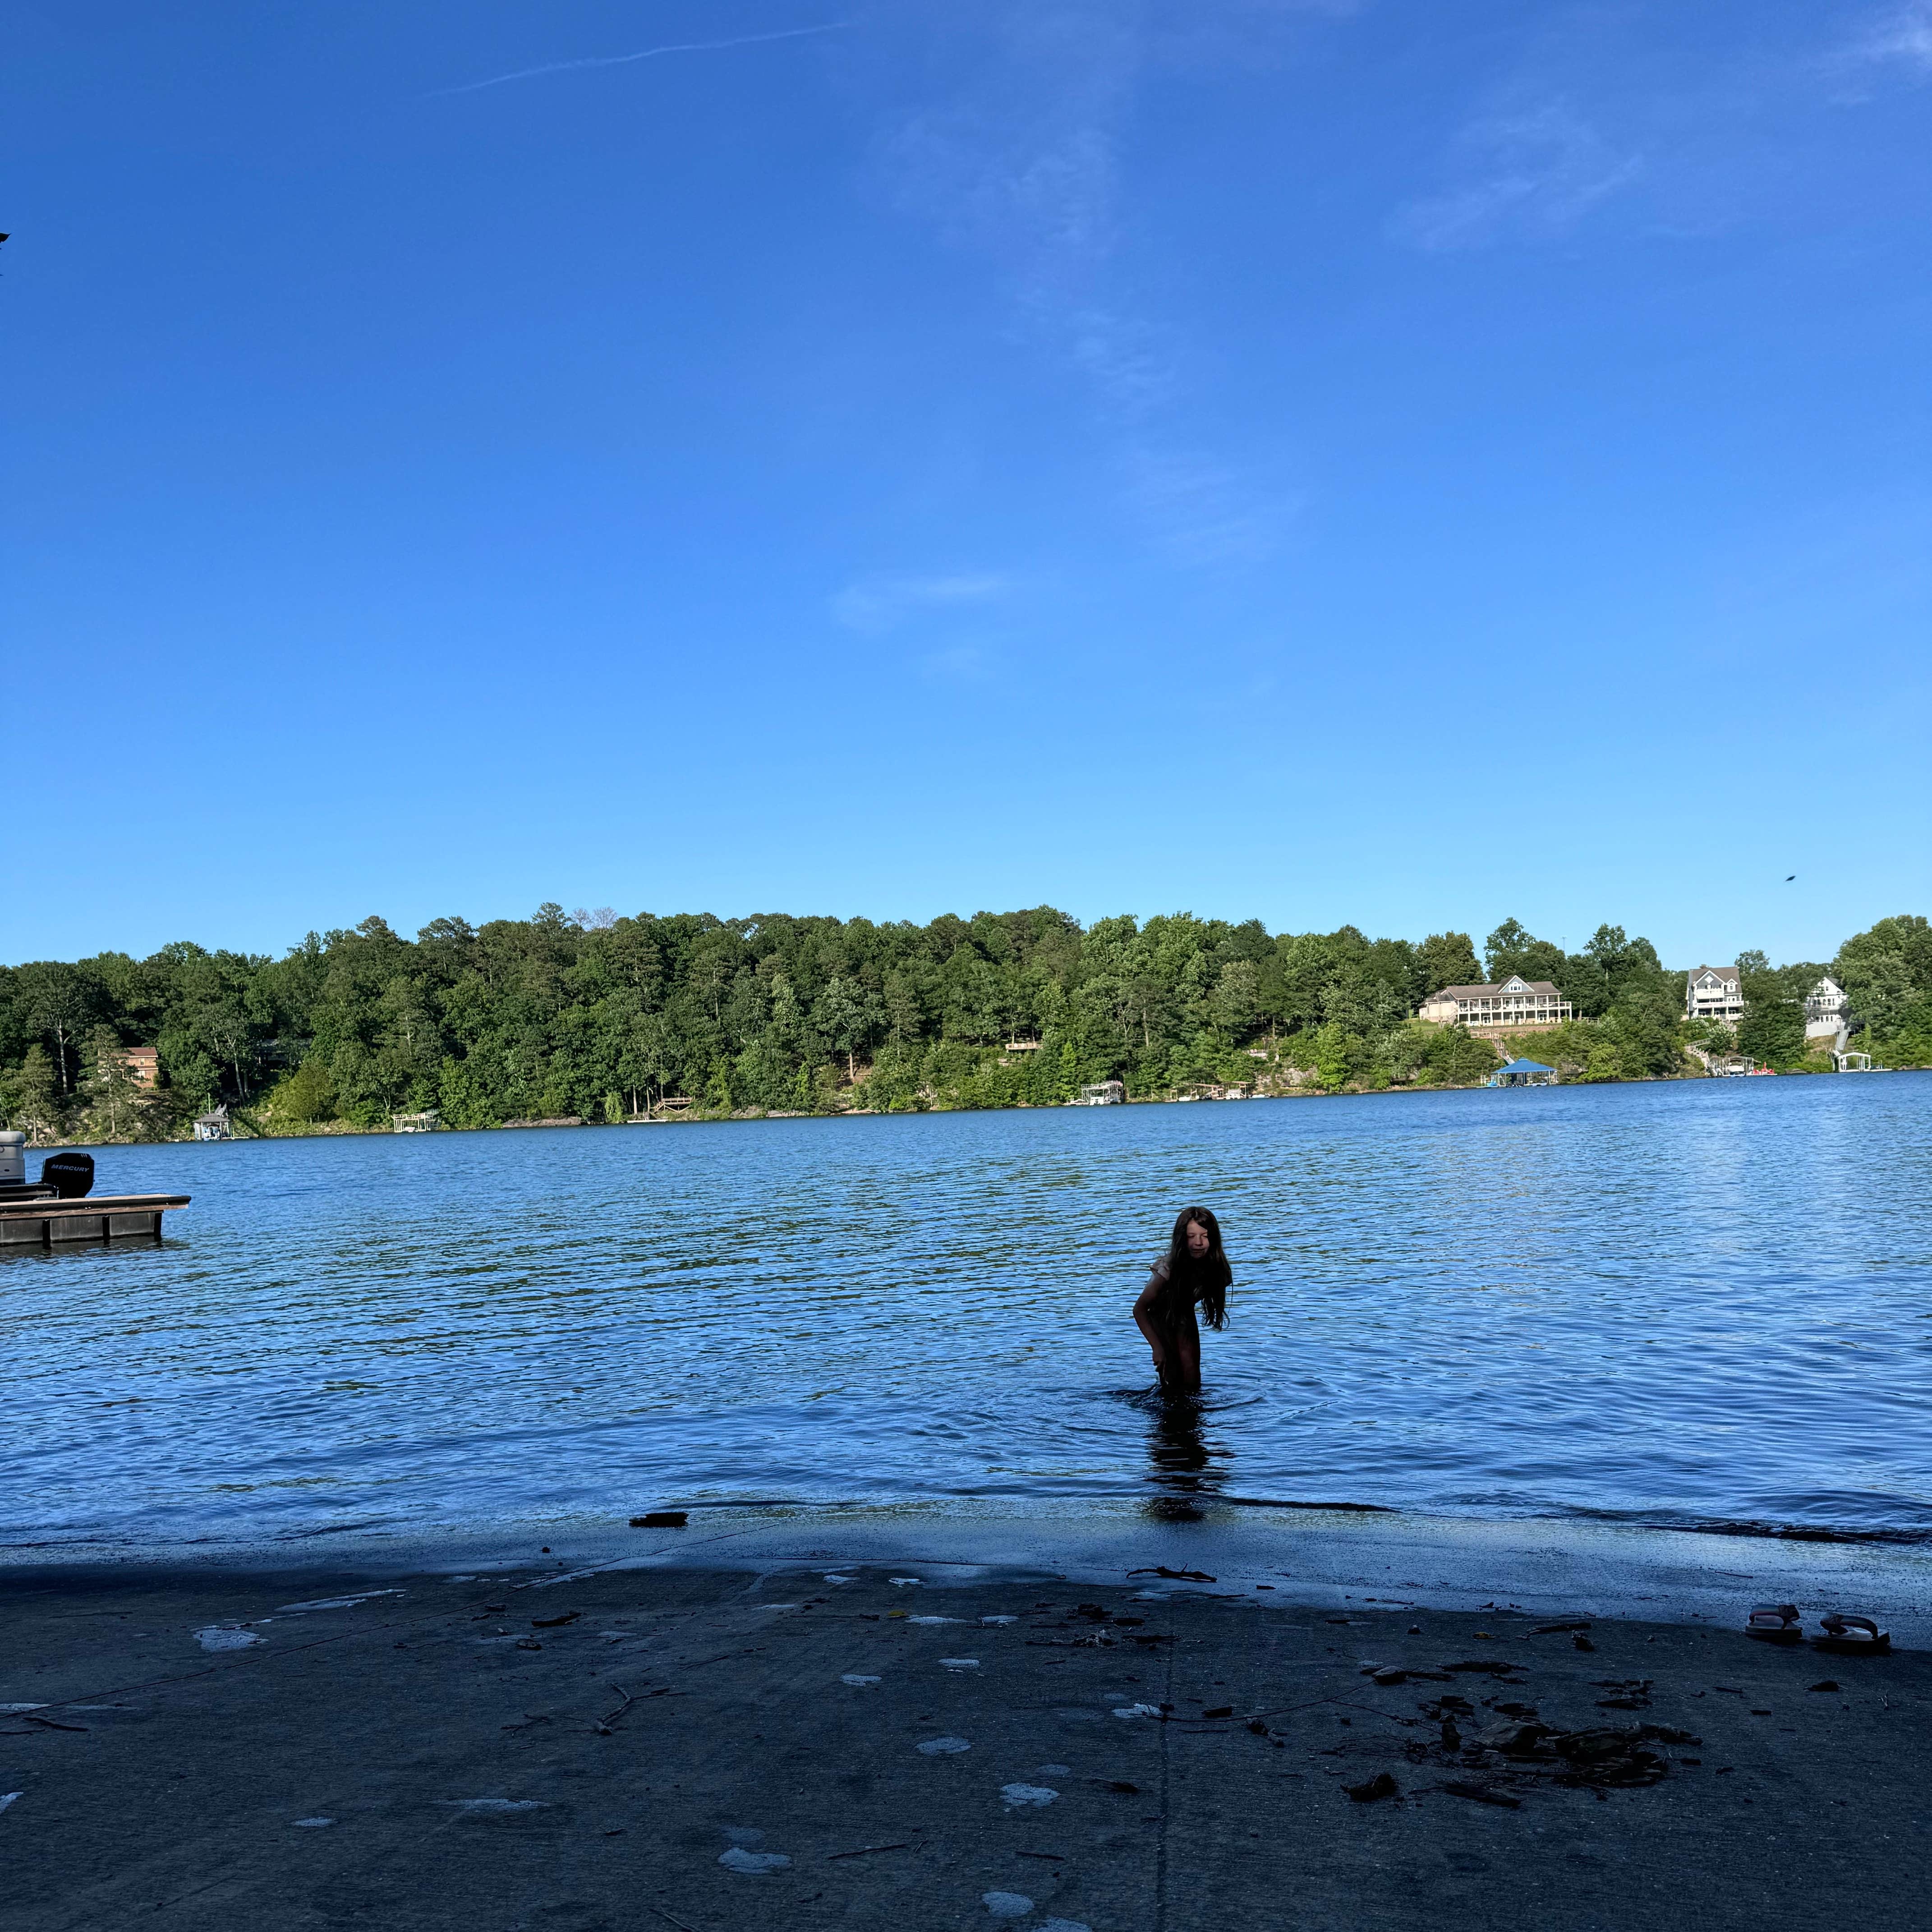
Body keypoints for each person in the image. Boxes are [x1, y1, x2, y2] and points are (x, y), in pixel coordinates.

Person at [1132, 1206, 1232, 1397]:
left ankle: (1191, 1420)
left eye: (1204, 1236)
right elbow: (1140, 1309)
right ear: (1181, 1239)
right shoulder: (1169, 1269)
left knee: (1193, 1377)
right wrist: (1157, 1348)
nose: (1198, 1243)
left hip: (1184, 1313)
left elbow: (1203, 1292)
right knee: (1172, 1376)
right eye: (1191, 1236)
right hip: (1159, 1316)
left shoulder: (1219, 1270)